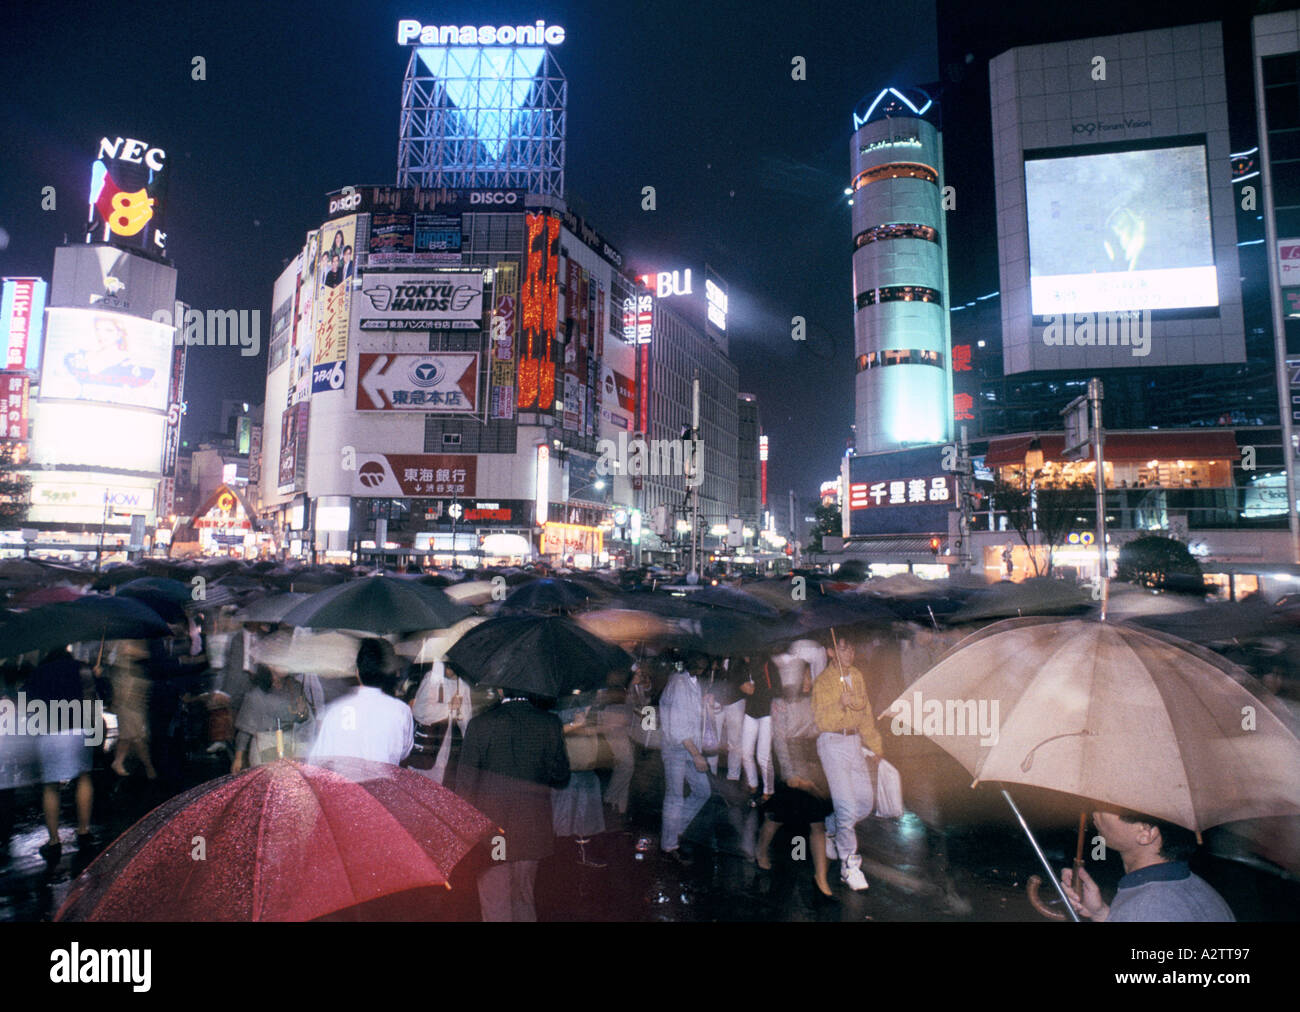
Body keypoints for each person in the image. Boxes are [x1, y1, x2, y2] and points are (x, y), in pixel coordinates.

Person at [456, 691, 570, 921]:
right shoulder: (550, 723)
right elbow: (561, 777)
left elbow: (465, 785)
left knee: (496, 899)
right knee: (524, 898)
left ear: (500, 690)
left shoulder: (481, 724)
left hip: (494, 835)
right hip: (532, 829)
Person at [1060, 809, 1235, 922]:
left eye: (1107, 805)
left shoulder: (1147, 907)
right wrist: (1101, 914)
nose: (1095, 812)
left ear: (1146, 833)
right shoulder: (1196, 888)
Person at [760, 647, 835, 897]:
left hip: (813, 764)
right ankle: (761, 850)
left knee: (817, 823)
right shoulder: (779, 704)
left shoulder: (813, 700)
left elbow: (820, 727)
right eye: (803, 677)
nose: (808, 681)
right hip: (792, 763)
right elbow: (780, 742)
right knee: (777, 818)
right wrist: (790, 774)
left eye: (808, 676)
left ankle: (820, 877)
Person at [811, 636, 882, 892]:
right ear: (830, 651)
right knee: (848, 807)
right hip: (831, 743)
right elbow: (821, 721)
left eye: (851, 646)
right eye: (843, 648)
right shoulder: (823, 682)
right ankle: (849, 866)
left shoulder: (857, 675)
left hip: (854, 743)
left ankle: (831, 827)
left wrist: (876, 746)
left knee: (864, 802)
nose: (849, 652)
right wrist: (839, 706)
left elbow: (866, 713)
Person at [25, 648, 96, 861]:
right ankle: (84, 830)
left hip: (49, 732)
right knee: (84, 777)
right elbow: (93, 697)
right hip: (79, 729)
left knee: (51, 785)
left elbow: (28, 703)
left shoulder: (37, 672)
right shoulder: (81, 668)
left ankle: (54, 840)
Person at [309, 639, 413, 765]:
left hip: (345, 783)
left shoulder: (334, 711)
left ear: (357, 672)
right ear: (387, 674)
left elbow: (317, 760)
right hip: (384, 783)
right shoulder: (401, 711)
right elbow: (404, 752)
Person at [658, 653, 713, 865]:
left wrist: (705, 703)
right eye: (701, 661)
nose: (704, 664)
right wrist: (697, 755)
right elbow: (679, 727)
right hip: (677, 748)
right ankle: (669, 846)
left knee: (703, 791)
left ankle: (675, 827)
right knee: (674, 797)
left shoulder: (693, 682)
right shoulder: (679, 683)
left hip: (689, 747)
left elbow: (689, 715)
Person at [231, 665, 311, 772]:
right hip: (265, 744)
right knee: (269, 781)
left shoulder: (295, 687)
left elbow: (302, 719)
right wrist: (238, 758)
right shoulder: (257, 693)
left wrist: (302, 712)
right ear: (269, 665)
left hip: (290, 742)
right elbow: (245, 729)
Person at [738, 655, 775, 801]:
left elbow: (776, 689)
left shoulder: (767, 663)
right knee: (746, 752)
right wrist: (742, 686)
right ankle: (753, 784)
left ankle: (768, 790)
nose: (746, 657)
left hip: (767, 713)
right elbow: (738, 682)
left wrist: (756, 690)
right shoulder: (742, 665)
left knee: (763, 756)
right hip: (750, 711)